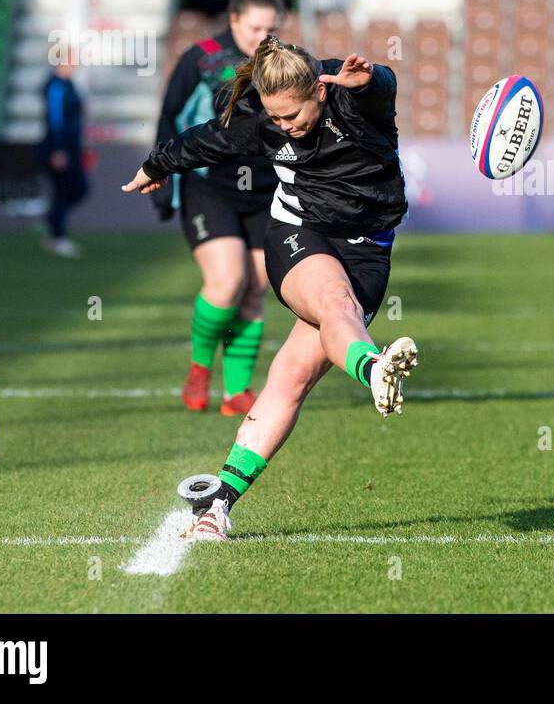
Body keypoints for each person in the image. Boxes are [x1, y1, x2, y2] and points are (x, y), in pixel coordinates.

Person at [123, 34, 418, 540]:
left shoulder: (353, 94)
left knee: (290, 378)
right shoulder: (263, 117)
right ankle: (372, 368)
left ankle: (217, 505)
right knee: (332, 303)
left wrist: (370, 79)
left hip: (369, 249)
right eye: (275, 118)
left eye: (293, 115)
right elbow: (202, 141)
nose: (284, 126)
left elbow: (382, 84)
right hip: (299, 232)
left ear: (320, 93)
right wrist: (156, 165)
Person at [154, 0, 282, 416]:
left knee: (256, 289)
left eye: (271, 29)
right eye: (255, 29)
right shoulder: (203, 58)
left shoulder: (280, 62)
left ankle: (236, 392)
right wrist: (163, 176)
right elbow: (169, 116)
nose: (263, 38)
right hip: (209, 187)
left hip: (265, 193)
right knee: (227, 282)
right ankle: (199, 365)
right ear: (233, 19)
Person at [37, 48, 88, 257]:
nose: (75, 63)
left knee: (76, 189)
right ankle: (57, 235)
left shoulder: (69, 85)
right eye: (71, 59)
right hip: (59, 149)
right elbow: (55, 119)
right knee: (65, 190)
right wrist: (58, 150)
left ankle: (53, 225)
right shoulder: (56, 87)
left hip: (71, 147)